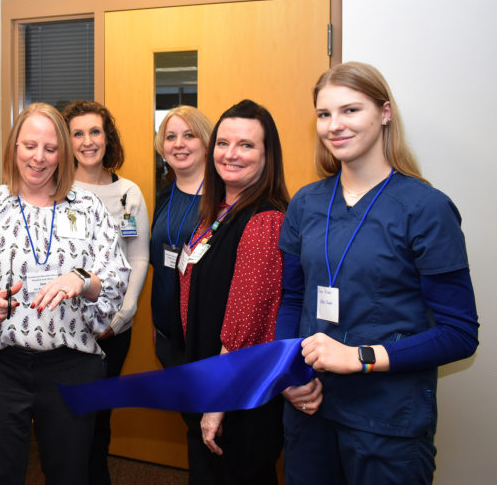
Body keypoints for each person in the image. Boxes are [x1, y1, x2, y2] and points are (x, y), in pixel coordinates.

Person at [276, 62, 479, 485]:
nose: (335, 126)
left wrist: (359, 357)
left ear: (385, 113)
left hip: (387, 423)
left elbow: (460, 333)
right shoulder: (306, 204)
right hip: (310, 409)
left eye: (350, 110)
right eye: (324, 114)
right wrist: (289, 374)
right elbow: (293, 299)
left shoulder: (425, 208)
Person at [0, 102, 130, 485]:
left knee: (69, 474)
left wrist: (83, 279)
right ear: (14, 147)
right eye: (30, 145)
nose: (39, 157)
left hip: (71, 365)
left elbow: (113, 279)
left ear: (63, 152)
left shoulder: (89, 209)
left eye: (50, 148)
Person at [174, 100, 290, 484]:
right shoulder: (218, 212)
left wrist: (217, 402)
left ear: (267, 155)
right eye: (223, 143)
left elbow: (246, 323)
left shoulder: (264, 221)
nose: (230, 154)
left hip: (235, 395)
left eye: (246, 145)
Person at [62, 100, 150, 485]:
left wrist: (122, 316)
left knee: (99, 418)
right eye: (77, 133)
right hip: (65, 327)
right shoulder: (56, 188)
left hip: (114, 329)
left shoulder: (129, 193)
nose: (87, 141)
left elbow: (139, 255)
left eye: (94, 131)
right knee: (66, 420)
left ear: (107, 136)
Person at [149, 106, 214, 367]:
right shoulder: (164, 196)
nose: (179, 144)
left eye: (189, 135)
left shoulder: (222, 200)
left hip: (206, 336)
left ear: (207, 142)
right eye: (170, 136)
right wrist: (157, 324)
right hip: (167, 333)